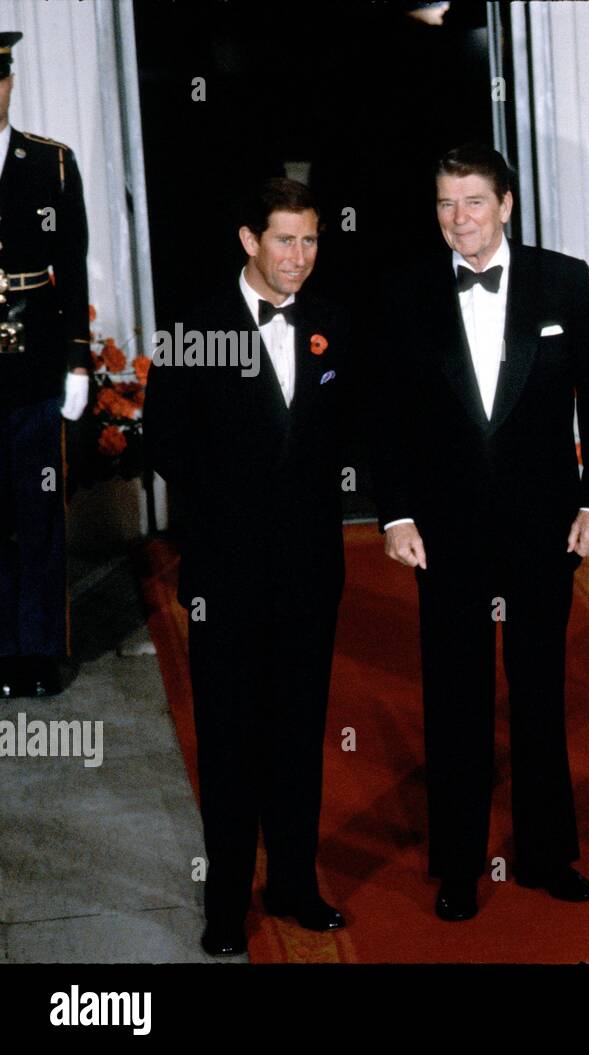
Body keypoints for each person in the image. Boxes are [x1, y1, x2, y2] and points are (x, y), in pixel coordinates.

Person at [372, 143, 589, 923]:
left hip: (545, 526)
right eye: (446, 203)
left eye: (474, 202)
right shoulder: (406, 291)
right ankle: (458, 864)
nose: (459, 220)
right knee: (455, 696)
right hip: (443, 532)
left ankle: (550, 855)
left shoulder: (565, 278)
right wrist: (395, 512)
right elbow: (385, 419)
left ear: (506, 205)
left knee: (541, 691)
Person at [145, 178, 350, 955]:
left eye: (310, 241)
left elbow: (345, 434)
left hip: (310, 574)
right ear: (248, 240)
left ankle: (295, 883)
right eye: (284, 240)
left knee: (299, 733)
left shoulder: (334, 323)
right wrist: (235, 498)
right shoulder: (197, 326)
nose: (298, 257)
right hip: (226, 576)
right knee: (230, 739)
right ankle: (226, 902)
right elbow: (162, 440)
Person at [0, 31, 92, 699]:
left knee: (38, 512)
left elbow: (74, 269)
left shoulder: (51, 165)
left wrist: (80, 363)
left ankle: (38, 651)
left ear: (9, 83)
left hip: (34, 363)